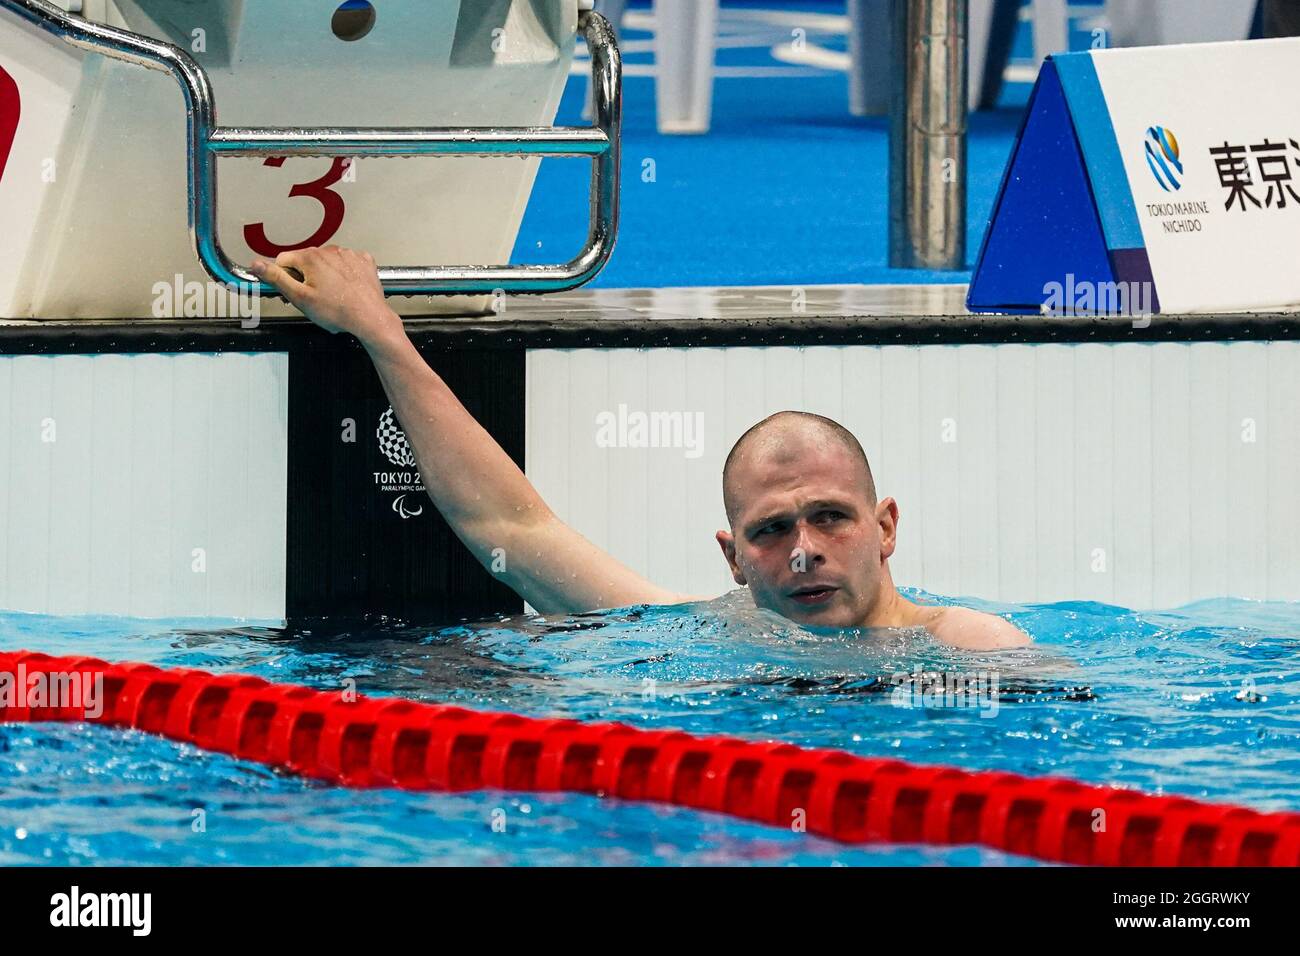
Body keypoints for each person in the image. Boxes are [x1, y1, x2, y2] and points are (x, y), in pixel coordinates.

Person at [250, 246, 1031, 651]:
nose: (802, 552)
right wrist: (379, 330)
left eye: (831, 517)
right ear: (732, 557)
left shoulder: (970, 647)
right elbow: (514, 532)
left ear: (887, 525)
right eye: (771, 530)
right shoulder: (713, 634)